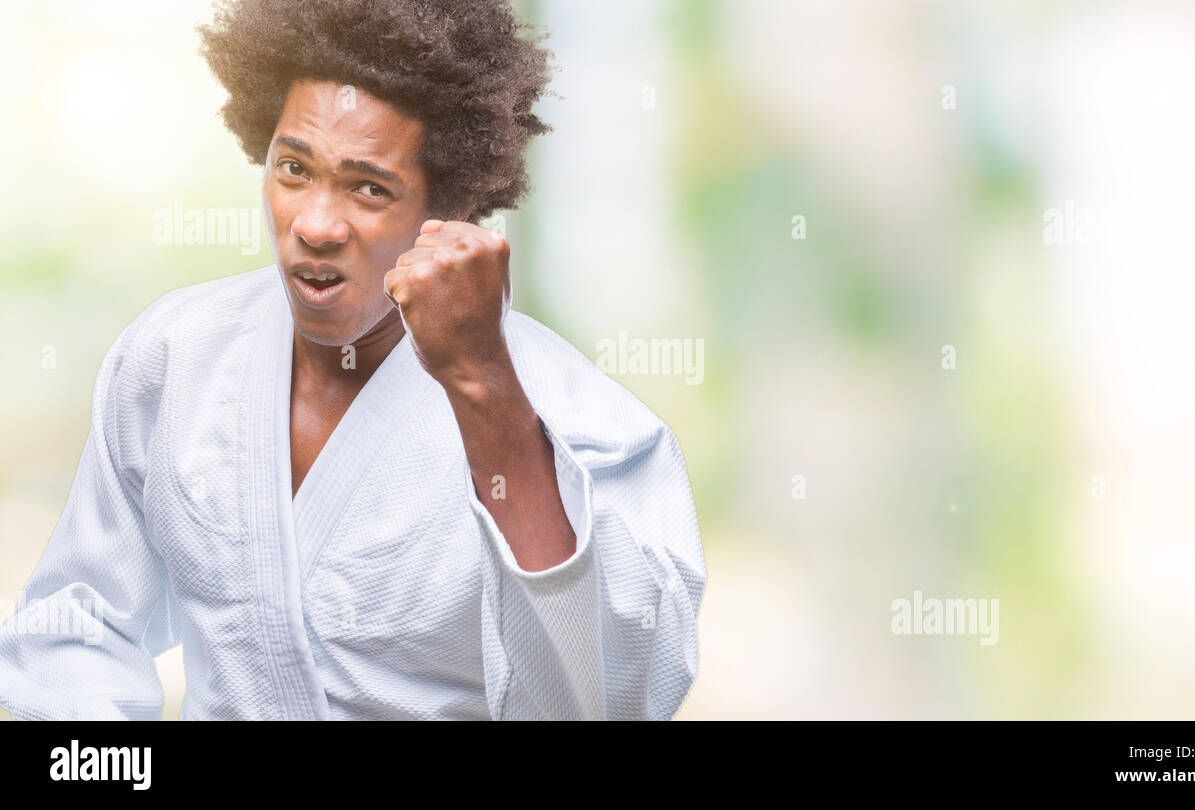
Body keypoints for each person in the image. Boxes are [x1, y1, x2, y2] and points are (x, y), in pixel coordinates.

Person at [0, 0, 706, 720]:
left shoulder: (589, 424)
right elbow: (78, 624)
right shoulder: (178, 359)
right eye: (294, 169)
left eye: (369, 187)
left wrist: (482, 385)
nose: (314, 225)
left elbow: (609, 699)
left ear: (450, 207)